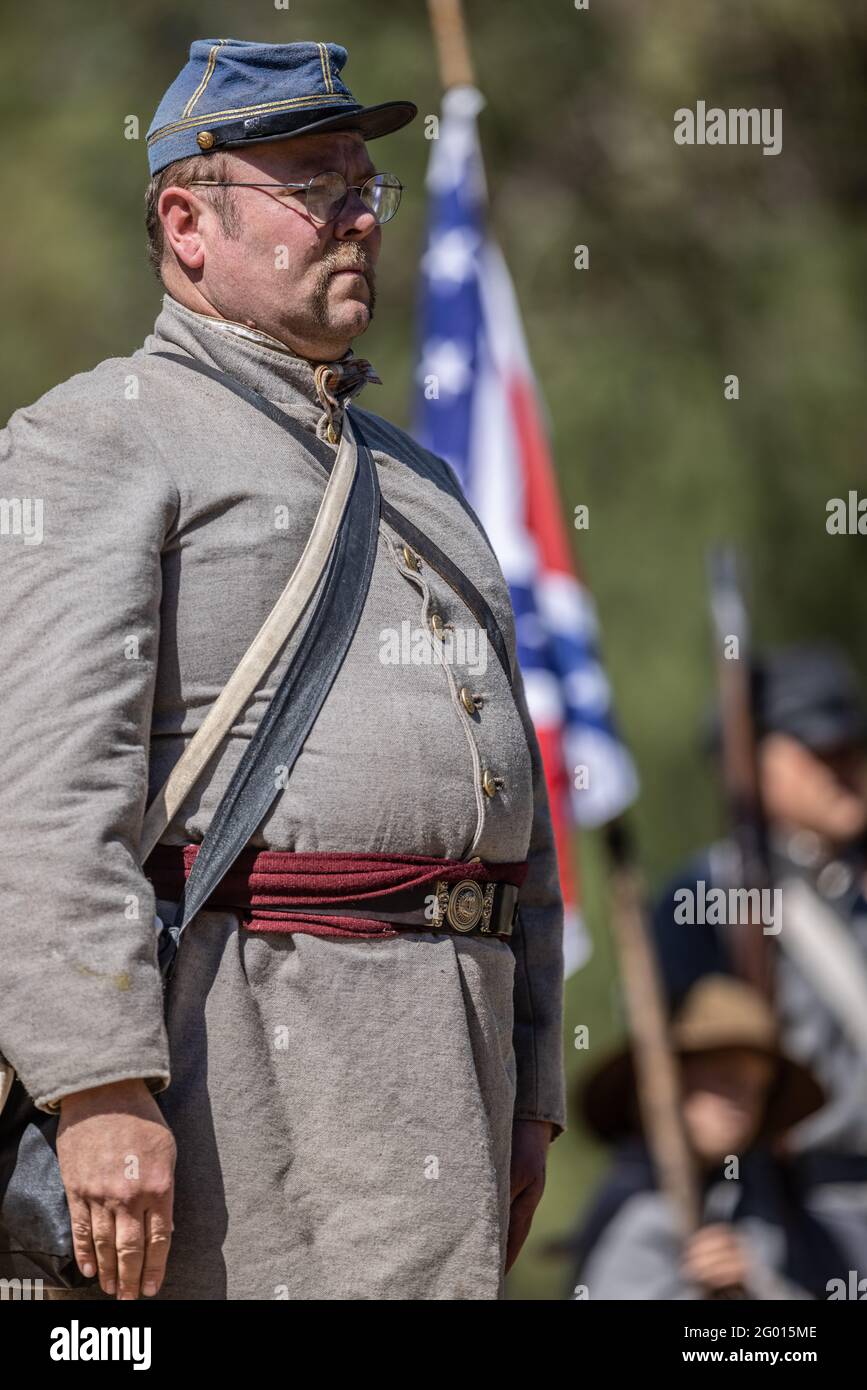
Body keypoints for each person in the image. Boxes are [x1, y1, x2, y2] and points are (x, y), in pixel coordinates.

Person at [0, 39, 566, 1301]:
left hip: (454, 1067)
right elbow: (39, 800)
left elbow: (511, 809)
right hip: (238, 1069)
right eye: (318, 186)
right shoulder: (93, 439)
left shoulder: (423, 476)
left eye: (368, 186)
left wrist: (535, 1083)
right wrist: (96, 1084)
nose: (363, 214)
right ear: (187, 221)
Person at [653, 643, 867, 1272]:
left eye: (850, 747)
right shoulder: (705, 897)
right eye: (817, 749)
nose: (843, 765)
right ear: (747, 761)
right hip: (787, 1211)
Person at [569, 976, 843, 1300]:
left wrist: (752, 1282)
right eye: (724, 1079)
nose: (741, 1100)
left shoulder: (757, 1201)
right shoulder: (636, 1206)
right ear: (669, 1084)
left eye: (758, 1089)